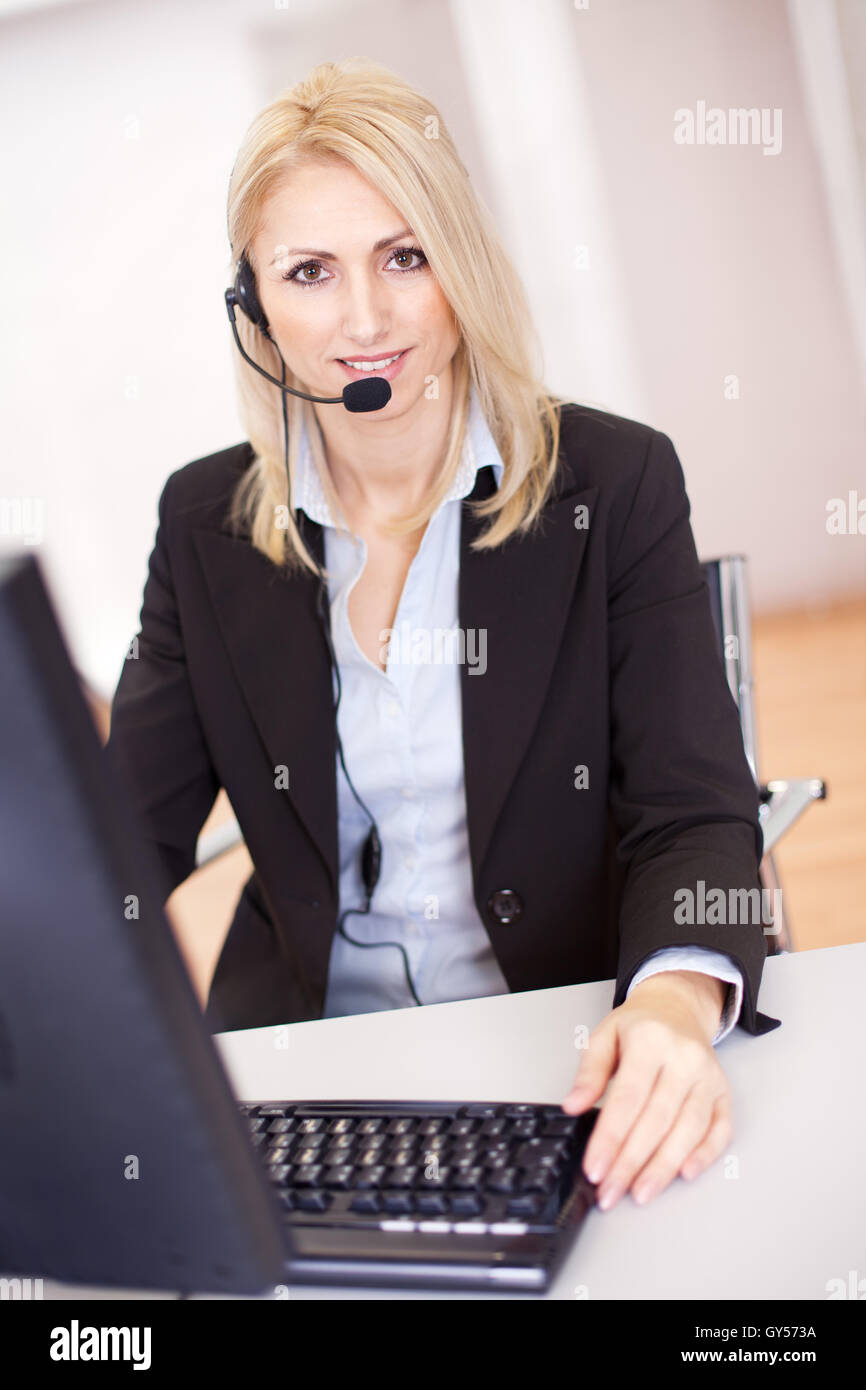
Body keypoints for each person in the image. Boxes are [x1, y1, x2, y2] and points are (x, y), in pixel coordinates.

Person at [105, 57, 779, 1214]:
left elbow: (694, 813)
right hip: (303, 1068)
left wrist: (669, 1004)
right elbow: (121, 841)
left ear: (458, 268)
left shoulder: (610, 484)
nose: (363, 321)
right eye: (308, 272)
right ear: (252, 304)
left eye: (402, 257)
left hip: (558, 1047)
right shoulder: (204, 524)